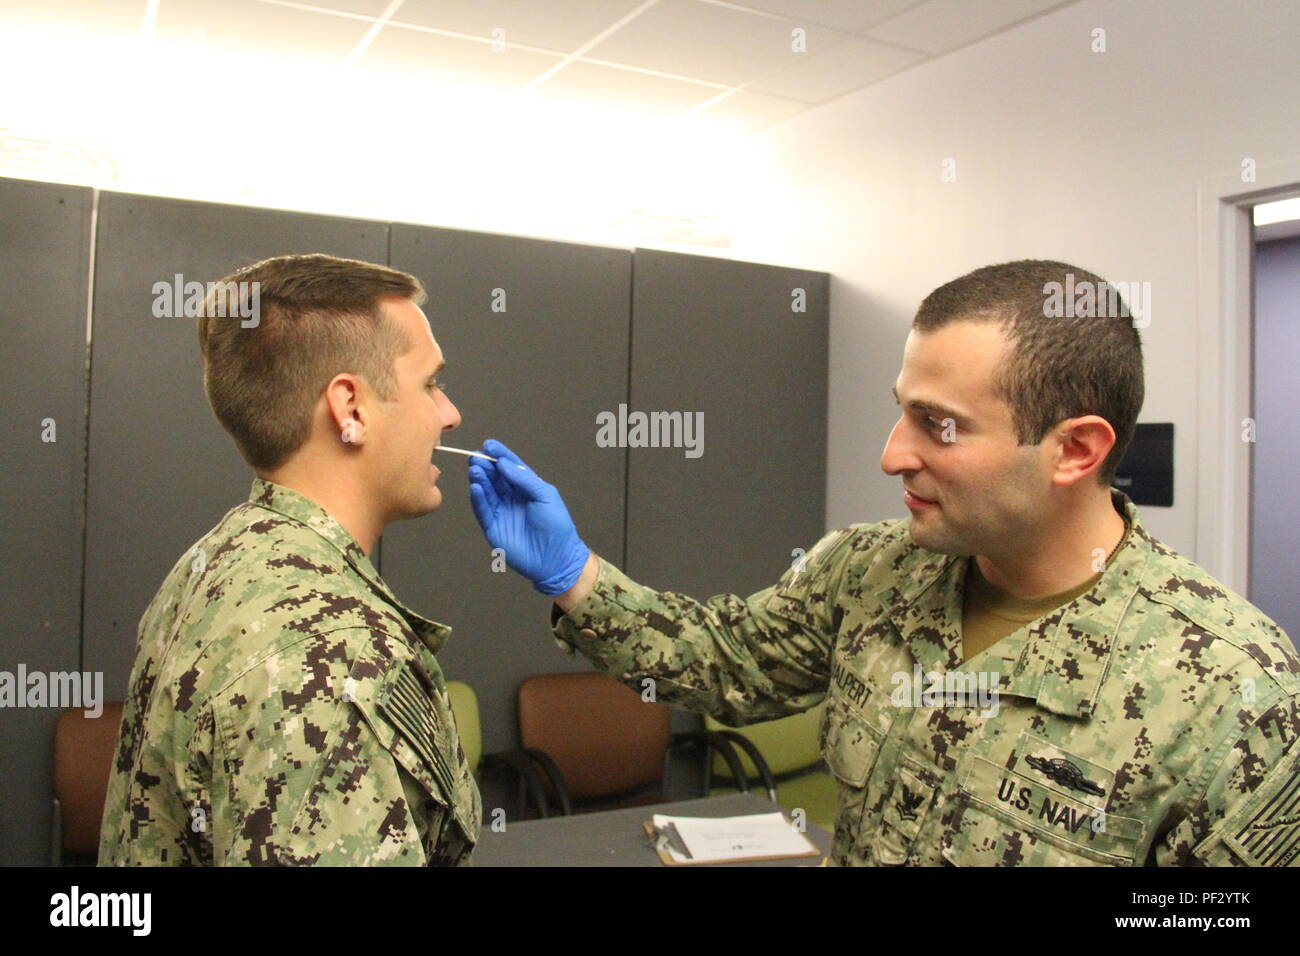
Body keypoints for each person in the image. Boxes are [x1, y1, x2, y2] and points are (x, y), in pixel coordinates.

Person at [467, 259, 1300, 866]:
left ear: (1075, 450)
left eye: (938, 426)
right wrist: (574, 574)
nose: (891, 455)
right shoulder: (872, 570)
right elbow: (727, 666)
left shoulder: (1232, 692)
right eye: (901, 413)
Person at [100, 254, 479, 866]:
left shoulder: (217, 561)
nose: (449, 413)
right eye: (431, 383)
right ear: (350, 408)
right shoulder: (330, 655)